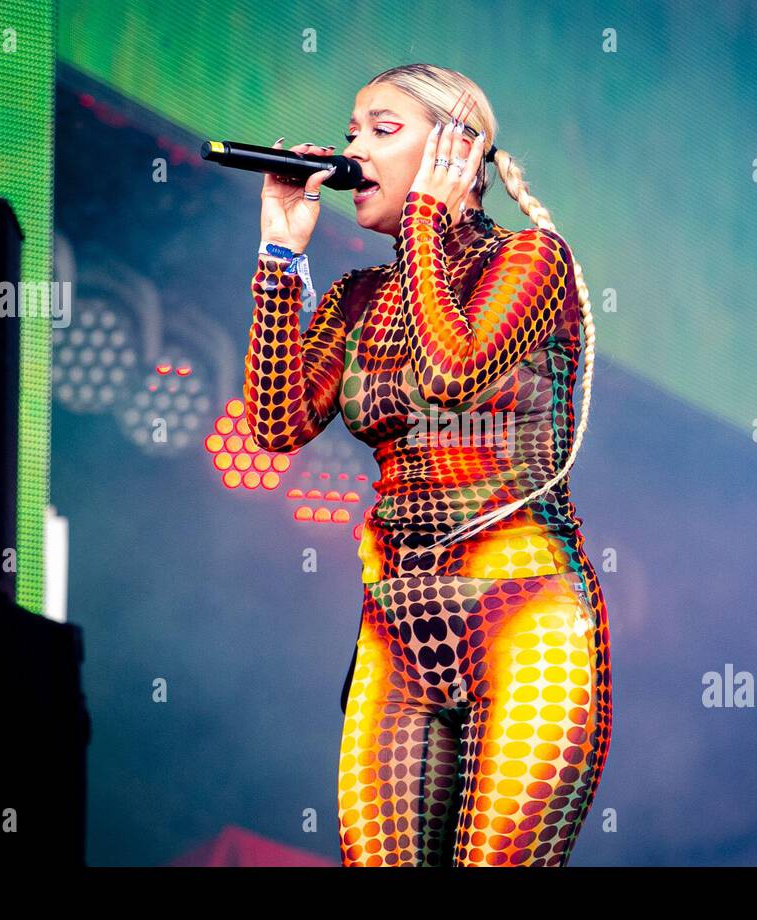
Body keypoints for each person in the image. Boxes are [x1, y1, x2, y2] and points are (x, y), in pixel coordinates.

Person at [244, 63, 612, 866]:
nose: (353, 151)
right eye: (350, 133)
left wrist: (421, 220)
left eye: (383, 130)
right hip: (397, 623)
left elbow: (451, 373)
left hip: (522, 613)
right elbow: (274, 426)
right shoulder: (356, 296)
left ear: (459, 153)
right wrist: (281, 249)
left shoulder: (531, 262)